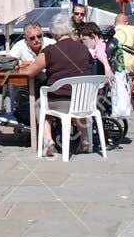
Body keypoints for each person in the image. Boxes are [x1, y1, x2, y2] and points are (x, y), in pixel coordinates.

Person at [21, 18, 104, 156]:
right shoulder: (83, 48)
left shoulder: (50, 51)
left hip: (62, 102)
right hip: (86, 101)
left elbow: (30, 72)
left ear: (53, 34)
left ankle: (47, 140)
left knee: (40, 104)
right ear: (70, 30)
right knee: (76, 98)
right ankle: (85, 139)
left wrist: (18, 69)